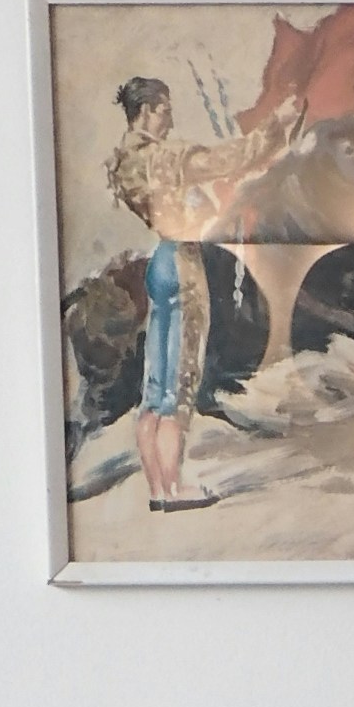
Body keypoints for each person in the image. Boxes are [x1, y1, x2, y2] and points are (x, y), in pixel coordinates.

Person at [109, 72, 224, 509]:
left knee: (154, 387)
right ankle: (174, 490)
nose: (170, 119)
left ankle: (158, 489)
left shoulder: (125, 160)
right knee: (178, 387)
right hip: (180, 258)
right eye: (165, 110)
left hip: (158, 260)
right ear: (148, 110)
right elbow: (205, 214)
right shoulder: (164, 162)